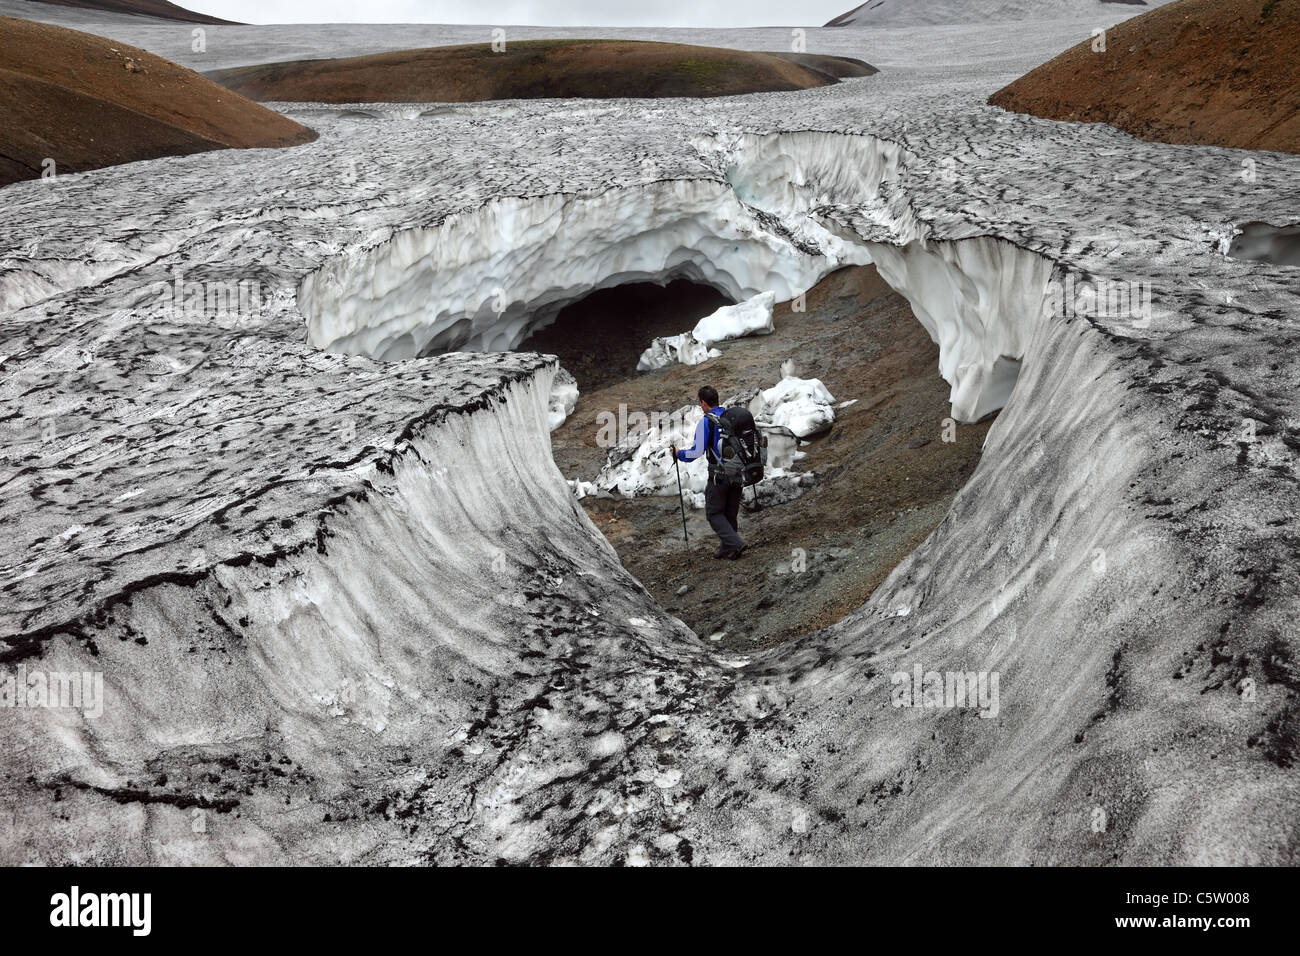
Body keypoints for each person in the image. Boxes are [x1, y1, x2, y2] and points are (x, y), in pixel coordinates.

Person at [671, 385, 746, 560]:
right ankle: (728, 549)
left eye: (700, 403)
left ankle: (736, 544)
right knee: (729, 513)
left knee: (713, 514)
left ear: (703, 403)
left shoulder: (707, 422)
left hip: (719, 476)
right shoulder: (732, 417)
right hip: (738, 472)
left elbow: (696, 452)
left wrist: (678, 453)